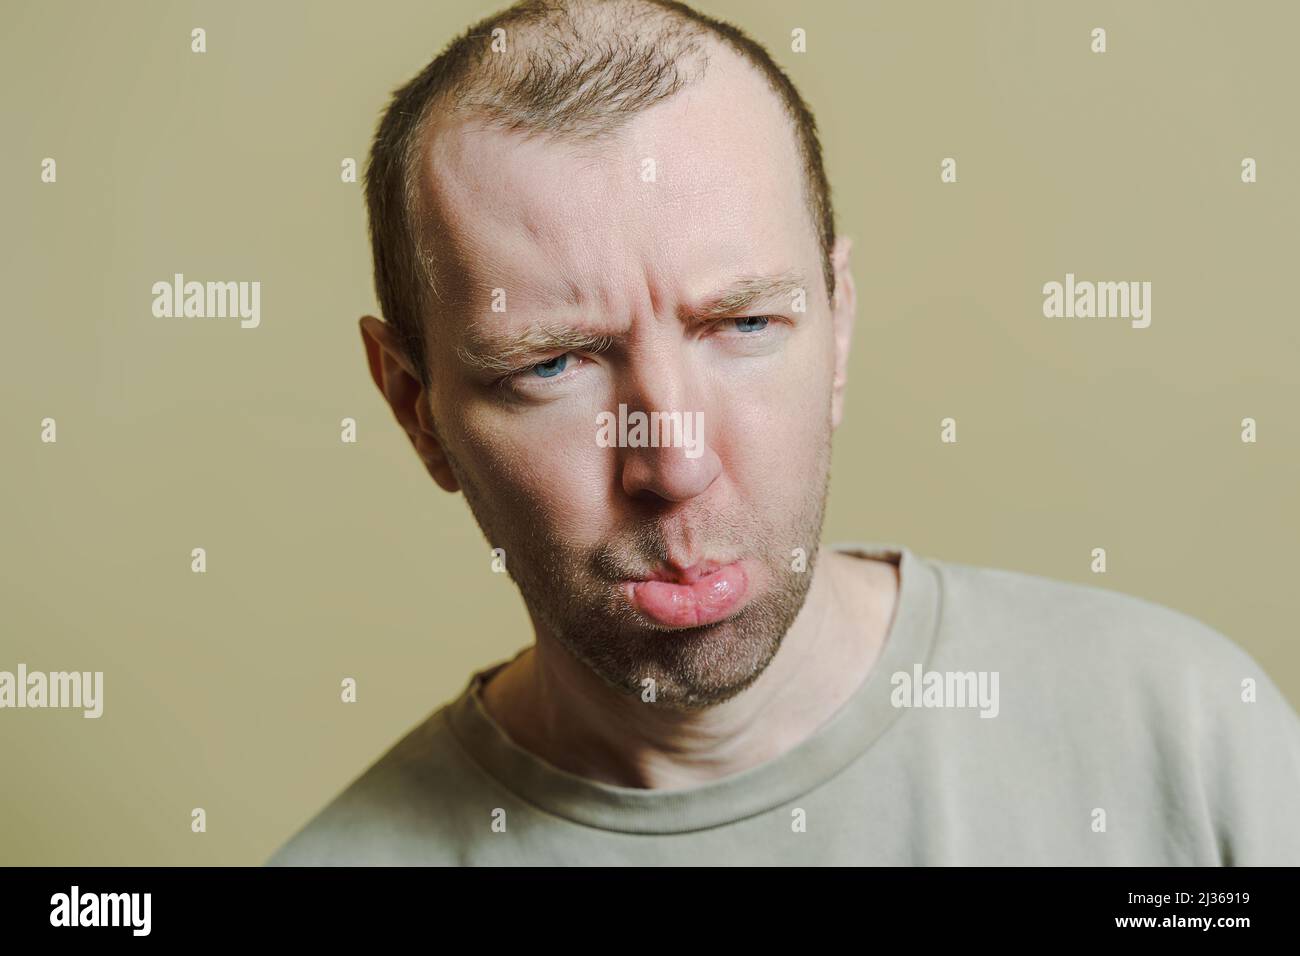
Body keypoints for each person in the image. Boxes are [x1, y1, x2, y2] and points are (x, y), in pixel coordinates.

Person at [267, 0, 1300, 865]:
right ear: (417, 409)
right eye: (553, 363)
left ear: (838, 323)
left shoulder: (1189, 739)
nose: (672, 460)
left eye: (743, 324)